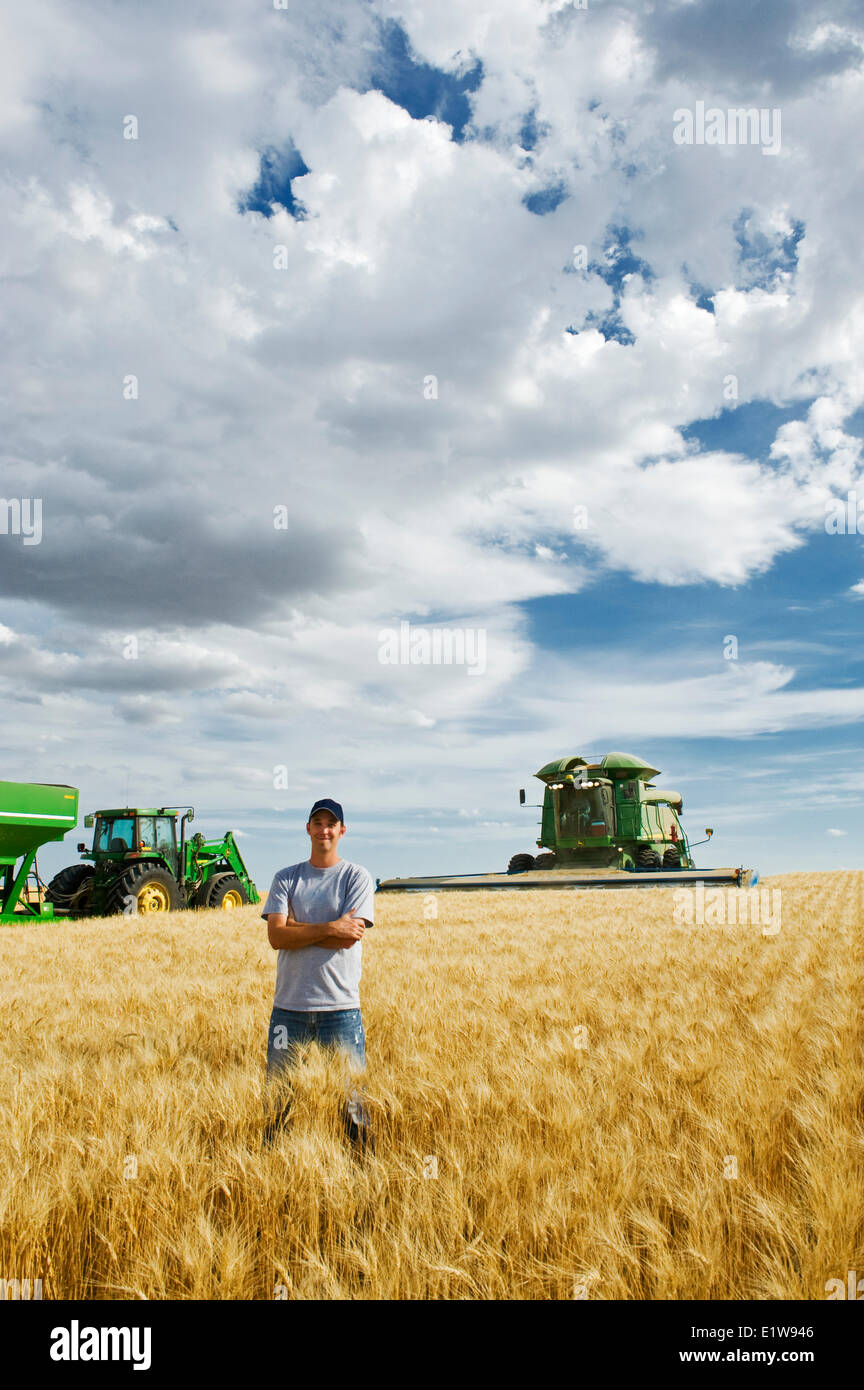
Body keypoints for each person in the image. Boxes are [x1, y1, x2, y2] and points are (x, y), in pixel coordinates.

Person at [261, 798, 375, 1152]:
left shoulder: (356, 877)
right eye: (317, 822)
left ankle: (362, 1169)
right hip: (288, 1008)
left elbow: (348, 938)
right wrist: (331, 926)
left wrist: (298, 927)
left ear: (342, 831)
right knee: (277, 1101)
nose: (324, 829)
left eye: (331, 823)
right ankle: (270, 1170)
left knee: (353, 1103)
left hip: (340, 1009)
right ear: (308, 828)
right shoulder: (286, 877)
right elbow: (277, 938)